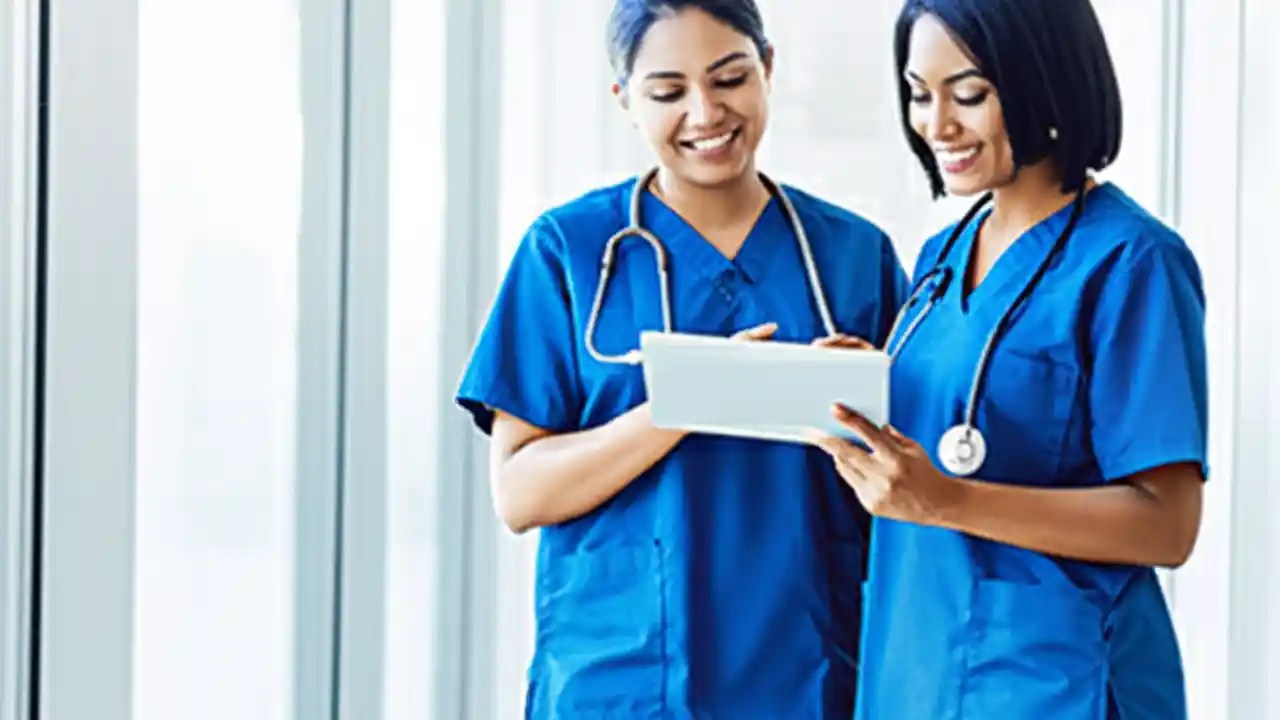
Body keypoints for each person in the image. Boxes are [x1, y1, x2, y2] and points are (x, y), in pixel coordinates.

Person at [456, 0, 907, 716]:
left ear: (768, 70)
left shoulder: (852, 258)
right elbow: (519, 493)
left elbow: (909, 489)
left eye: (730, 78)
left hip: (806, 675)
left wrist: (870, 400)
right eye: (667, 91)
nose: (705, 112)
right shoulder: (570, 251)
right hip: (620, 682)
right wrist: (689, 401)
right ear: (624, 101)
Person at [809, 2, 1208, 718]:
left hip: (1052, 682)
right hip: (916, 666)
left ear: (1043, 79)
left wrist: (948, 500)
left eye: (968, 95)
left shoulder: (1131, 261)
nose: (936, 125)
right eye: (918, 94)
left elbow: (1167, 525)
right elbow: (969, 417)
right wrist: (870, 387)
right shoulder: (940, 261)